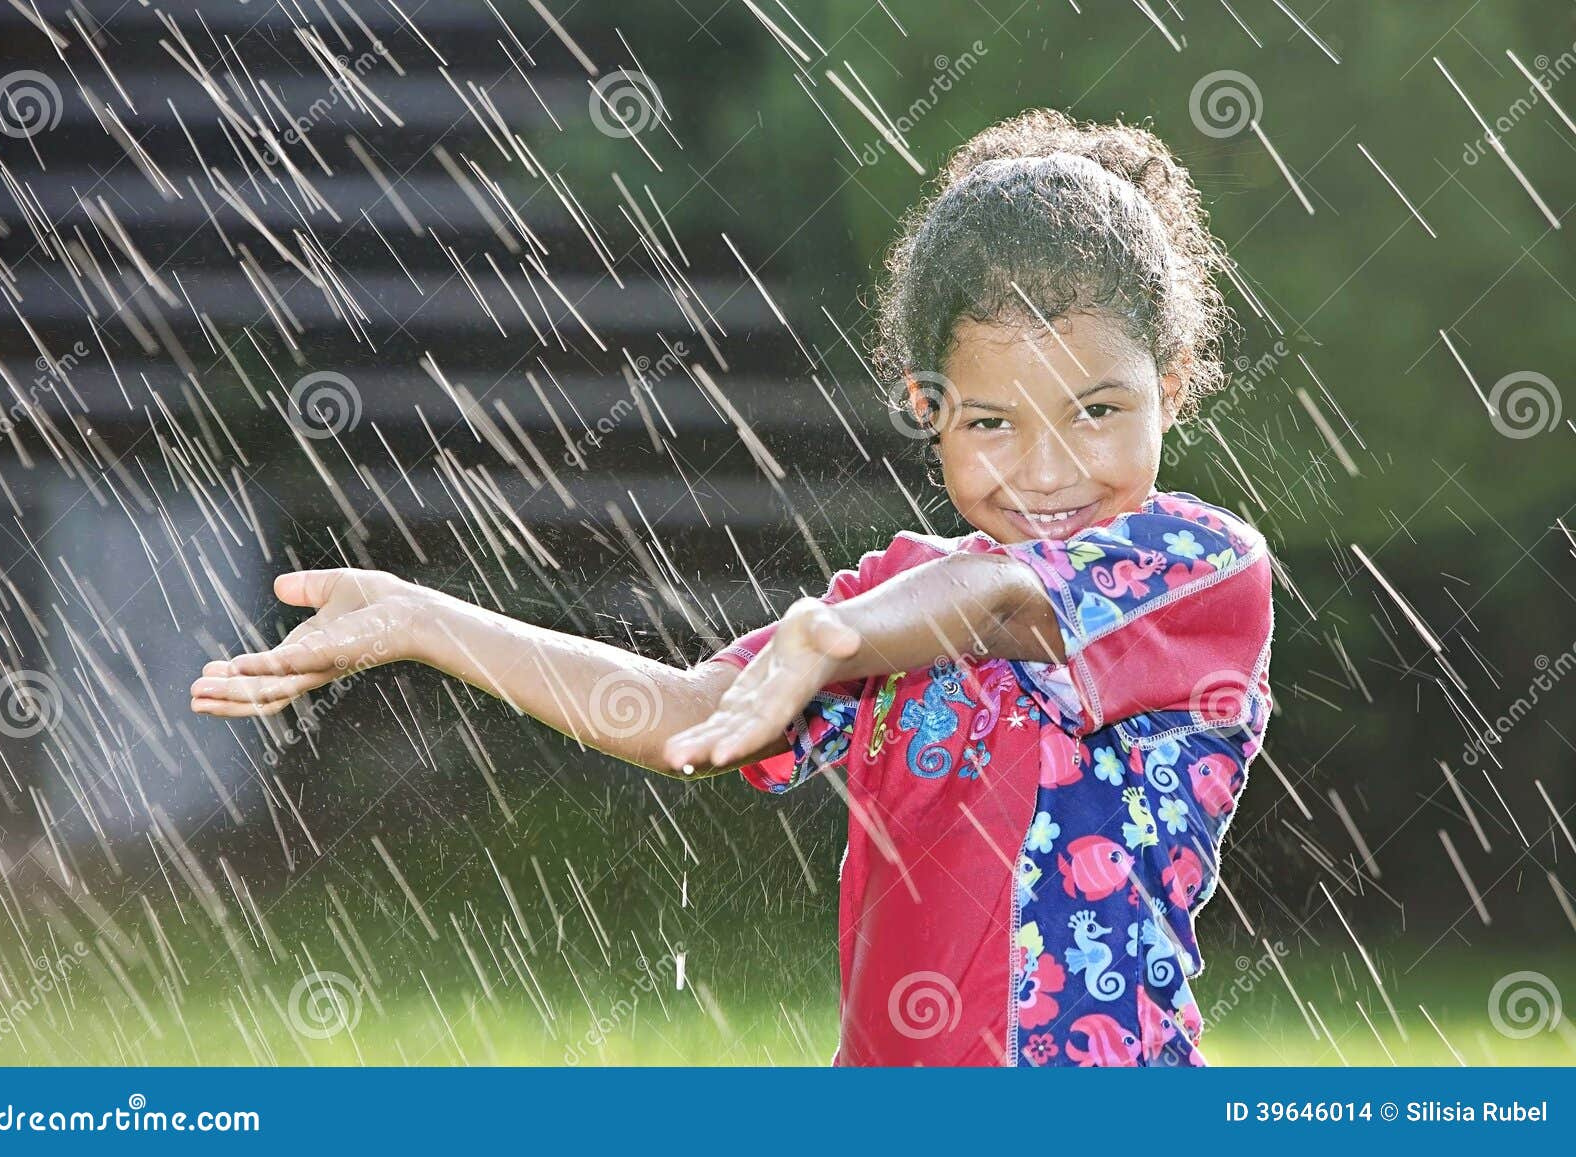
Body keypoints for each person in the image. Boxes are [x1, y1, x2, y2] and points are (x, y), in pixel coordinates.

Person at [190, 107, 1275, 1067]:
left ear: (1169, 386)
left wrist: (830, 638)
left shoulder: (1196, 569)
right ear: (927, 404)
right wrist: (431, 621)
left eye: (1097, 410)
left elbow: (1002, 596)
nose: (1046, 470)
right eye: (991, 421)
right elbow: (683, 714)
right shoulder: (886, 597)